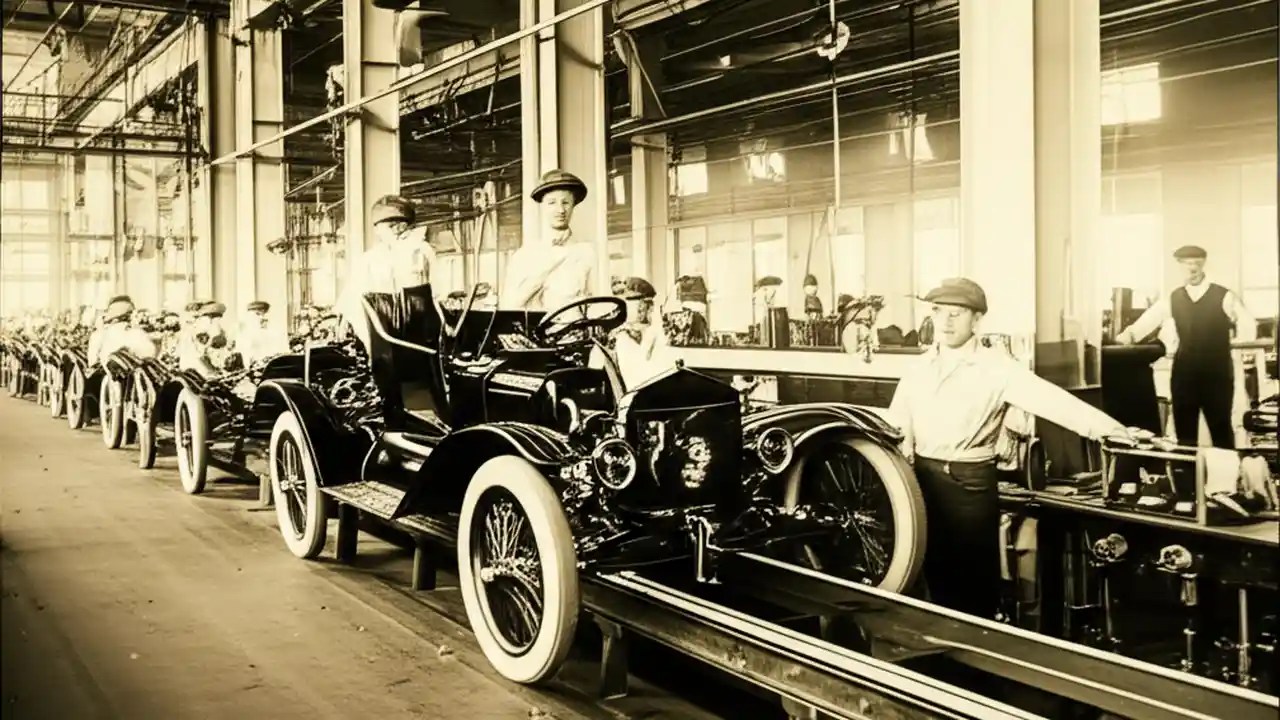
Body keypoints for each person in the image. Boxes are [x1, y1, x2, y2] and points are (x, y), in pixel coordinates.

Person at [888, 277, 1129, 618]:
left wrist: (1116, 431)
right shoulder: (917, 367)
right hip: (920, 483)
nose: (946, 321)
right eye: (939, 311)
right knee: (929, 579)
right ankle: (937, 663)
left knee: (972, 588)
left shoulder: (997, 368)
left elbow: (1058, 404)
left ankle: (977, 663)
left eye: (957, 313)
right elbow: (899, 427)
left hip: (970, 484)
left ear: (976, 320)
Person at [1116, 245, 1256, 449]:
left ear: (1203, 265)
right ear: (1180, 267)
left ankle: (1226, 478)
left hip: (1217, 375)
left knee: (1221, 429)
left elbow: (1248, 325)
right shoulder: (1174, 298)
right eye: (1187, 265)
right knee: (1184, 434)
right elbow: (1148, 321)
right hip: (1185, 374)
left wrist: (1242, 348)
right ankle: (1186, 479)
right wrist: (1126, 337)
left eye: (1196, 264)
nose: (1192, 269)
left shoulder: (1223, 296)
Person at [336, 195, 437, 348]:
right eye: (376, 228)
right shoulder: (371, 257)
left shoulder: (420, 250)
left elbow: (436, 291)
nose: (377, 232)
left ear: (400, 226)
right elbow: (353, 291)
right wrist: (343, 320)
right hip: (384, 329)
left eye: (380, 227)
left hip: (418, 328)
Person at [502, 169, 596, 311]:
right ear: (542, 207)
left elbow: (600, 304)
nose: (560, 210)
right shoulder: (523, 256)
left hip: (576, 329)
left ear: (573, 206)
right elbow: (509, 307)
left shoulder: (587, 253)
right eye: (552, 203)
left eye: (566, 203)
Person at [590, 277, 673, 389]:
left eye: (647, 304)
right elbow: (594, 375)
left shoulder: (658, 334)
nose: (645, 308)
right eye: (640, 303)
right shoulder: (615, 339)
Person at [87, 296, 157, 366]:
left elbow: (92, 364)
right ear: (130, 316)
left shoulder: (98, 335)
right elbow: (150, 355)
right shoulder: (137, 333)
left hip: (106, 375)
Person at [179, 302, 235, 377]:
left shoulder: (217, 329)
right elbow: (201, 355)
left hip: (200, 365)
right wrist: (212, 370)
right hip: (197, 369)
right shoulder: (199, 330)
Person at [237, 300, 290, 366]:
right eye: (257, 314)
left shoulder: (274, 332)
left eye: (264, 314)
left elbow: (283, 352)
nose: (261, 317)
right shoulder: (245, 334)